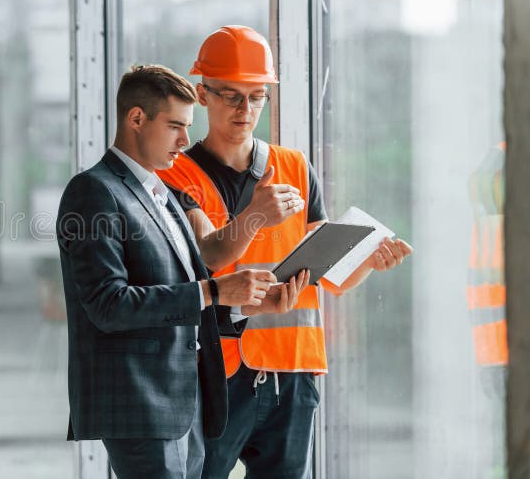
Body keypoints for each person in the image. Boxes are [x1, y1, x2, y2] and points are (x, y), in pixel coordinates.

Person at [157, 26, 414, 479]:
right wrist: (255, 214)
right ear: (202, 94)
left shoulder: (294, 167)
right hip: (218, 373)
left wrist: (368, 262)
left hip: (293, 372)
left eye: (257, 96)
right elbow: (207, 257)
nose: (246, 109)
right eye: (232, 95)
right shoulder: (180, 175)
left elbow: (330, 275)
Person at [57, 64, 310, 479]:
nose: (185, 140)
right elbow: (108, 304)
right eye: (175, 126)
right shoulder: (94, 191)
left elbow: (182, 298)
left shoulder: (164, 194)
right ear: (136, 119)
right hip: (141, 404)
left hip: (184, 407)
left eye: (187, 126)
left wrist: (246, 306)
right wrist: (213, 291)